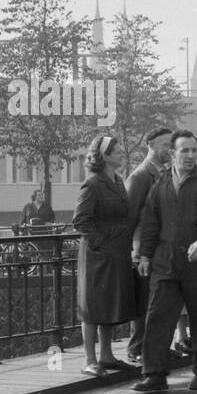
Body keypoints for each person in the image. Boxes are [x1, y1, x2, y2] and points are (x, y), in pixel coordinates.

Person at [134, 130, 197, 393]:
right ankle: (154, 375)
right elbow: (151, 223)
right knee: (158, 317)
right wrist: (145, 256)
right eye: (184, 150)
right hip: (165, 263)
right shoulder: (160, 184)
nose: (190, 155)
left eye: (193, 150)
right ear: (172, 154)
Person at [73, 135, 135, 376]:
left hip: (116, 253)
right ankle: (90, 360)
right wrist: (100, 244)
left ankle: (106, 356)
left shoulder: (117, 181)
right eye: (117, 150)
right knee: (92, 307)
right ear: (104, 156)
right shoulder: (93, 184)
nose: (121, 153)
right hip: (97, 256)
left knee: (107, 304)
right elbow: (80, 221)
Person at [124, 126, 173, 363]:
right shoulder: (141, 176)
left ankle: (158, 346)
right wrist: (135, 251)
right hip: (144, 248)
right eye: (165, 144)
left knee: (161, 300)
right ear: (151, 145)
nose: (169, 149)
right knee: (145, 301)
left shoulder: (165, 173)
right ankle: (138, 348)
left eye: (170, 144)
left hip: (162, 246)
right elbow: (130, 216)